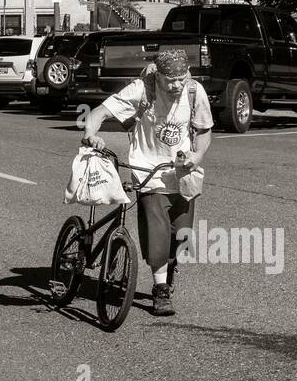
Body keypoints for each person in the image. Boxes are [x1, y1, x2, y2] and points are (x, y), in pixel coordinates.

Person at [80, 49, 213, 316]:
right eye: (169, 80)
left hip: (181, 172)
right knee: (157, 234)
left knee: (181, 235)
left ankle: (168, 264)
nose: (175, 85)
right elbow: (99, 113)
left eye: (180, 79)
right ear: (158, 75)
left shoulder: (194, 91)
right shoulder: (142, 89)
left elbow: (204, 130)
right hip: (147, 170)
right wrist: (90, 134)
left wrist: (196, 156)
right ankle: (161, 291)